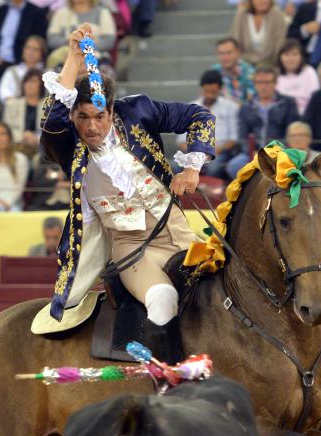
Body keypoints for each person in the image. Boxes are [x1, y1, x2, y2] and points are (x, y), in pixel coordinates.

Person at [39, 24, 215, 363]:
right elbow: (52, 118)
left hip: (179, 233)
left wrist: (192, 167)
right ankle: (169, 379)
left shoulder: (139, 111)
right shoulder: (67, 145)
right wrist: (74, 58)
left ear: (112, 111)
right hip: (132, 247)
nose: (91, 127)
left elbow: (199, 116)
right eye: (82, 117)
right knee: (162, 296)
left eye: (99, 117)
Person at [226, 65, 299, 178]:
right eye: (259, 83)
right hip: (253, 154)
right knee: (234, 166)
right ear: (254, 84)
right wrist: (253, 153)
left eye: (267, 82)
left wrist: (274, 153)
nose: (263, 87)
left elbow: (291, 133)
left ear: (275, 84)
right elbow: (242, 136)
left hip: (281, 153)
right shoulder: (246, 107)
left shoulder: (288, 104)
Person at [0, 0, 49, 102]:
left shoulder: (36, 12)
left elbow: (39, 41)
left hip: (22, 63)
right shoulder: (1, 10)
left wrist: (27, 54)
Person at [175, 69, 239, 180]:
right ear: (201, 89)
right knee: (174, 167)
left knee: (214, 168)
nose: (209, 95)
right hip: (193, 152)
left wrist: (216, 150)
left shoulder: (231, 107)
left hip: (219, 151)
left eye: (213, 92)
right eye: (206, 91)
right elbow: (181, 140)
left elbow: (234, 139)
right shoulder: (190, 107)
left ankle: (210, 196)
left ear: (220, 89)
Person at [47, 0, 116, 63]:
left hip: (97, 59)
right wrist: (71, 43)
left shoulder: (103, 12)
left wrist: (85, 46)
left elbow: (109, 41)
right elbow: (52, 39)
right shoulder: (60, 13)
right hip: (65, 58)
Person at [227, 0, 288, 67]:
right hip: (244, 63)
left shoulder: (277, 15)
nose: (263, 1)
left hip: (270, 64)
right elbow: (234, 41)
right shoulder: (241, 14)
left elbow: (280, 43)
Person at [2, 68, 45, 154]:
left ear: (41, 85)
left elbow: (51, 131)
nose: (29, 85)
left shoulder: (48, 106)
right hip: (17, 146)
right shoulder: (11, 105)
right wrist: (23, 136)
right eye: (26, 81)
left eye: (33, 81)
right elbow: (6, 129)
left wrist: (36, 138)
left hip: (40, 147)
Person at [0, 120, 29, 211]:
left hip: (12, 205)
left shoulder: (20, 160)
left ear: (9, 137)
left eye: (3, 134)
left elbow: (19, 188)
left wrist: (6, 203)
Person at [0, 35, 46, 104]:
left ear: (42, 54)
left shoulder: (48, 74)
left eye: (35, 50)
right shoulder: (11, 71)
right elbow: (4, 93)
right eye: (28, 48)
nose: (30, 52)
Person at [276, 38, 320, 115]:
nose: (291, 59)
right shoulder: (275, 74)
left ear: (301, 57)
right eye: (286, 54)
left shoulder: (309, 72)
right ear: (280, 57)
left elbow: (315, 99)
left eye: (295, 54)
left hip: (305, 115)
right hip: (281, 116)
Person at [212, 37, 256, 105]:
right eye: (221, 53)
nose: (225, 57)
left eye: (229, 53)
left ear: (238, 53)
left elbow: (252, 99)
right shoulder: (214, 71)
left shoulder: (249, 71)